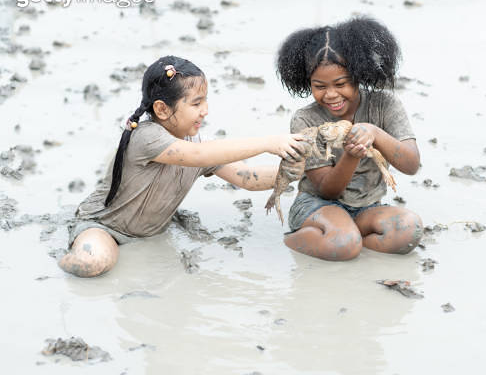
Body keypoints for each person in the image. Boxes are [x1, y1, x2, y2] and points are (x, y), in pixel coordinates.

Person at [59, 56, 306, 277]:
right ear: (162, 109)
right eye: (196, 104)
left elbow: (248, 179)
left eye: (205, 101)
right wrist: (268, 143)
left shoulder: (197, 146)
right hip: (105, 226)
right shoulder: (146, 137)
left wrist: (301, 169)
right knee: (92, 263)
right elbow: (197, 155)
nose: (205, 111)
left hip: (150, 232)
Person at [276, 17, 423, 261]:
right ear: (308, 83)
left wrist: (375, 134)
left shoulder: (385, 105)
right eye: (319, 86)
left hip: (367, 207)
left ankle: (347, 240)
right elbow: (327, 190)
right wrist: (351, 156)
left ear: (358, 74)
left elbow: (411, 165)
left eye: (341, 83)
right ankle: (298, 238)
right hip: (318, 205)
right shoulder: (305, 120)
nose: (331, 94)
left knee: (409, 229)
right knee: (344, 243)